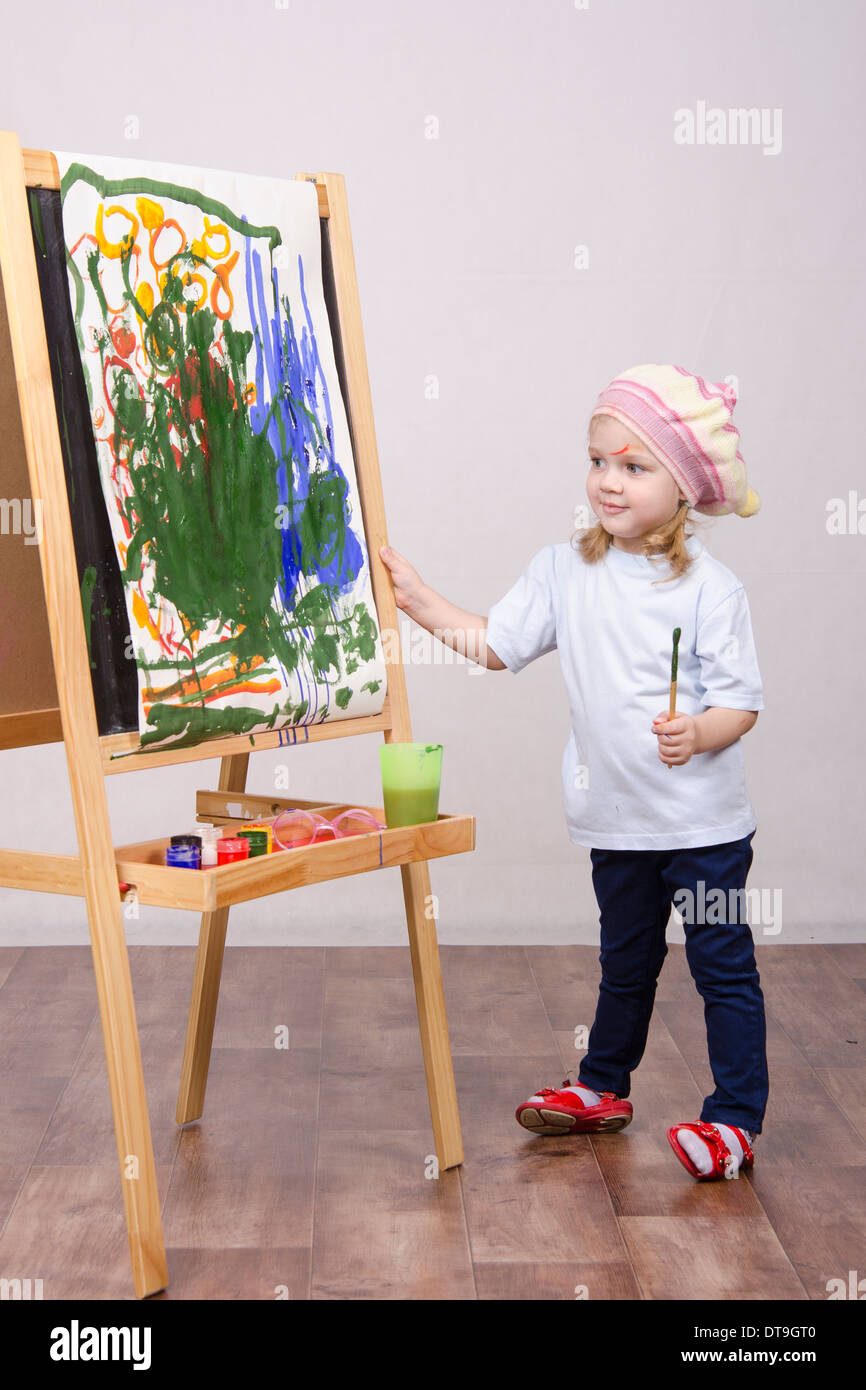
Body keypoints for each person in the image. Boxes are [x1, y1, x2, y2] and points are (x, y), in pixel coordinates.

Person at [379, 363, 767, 1182]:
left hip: (703, 833)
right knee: (624, 965)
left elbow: (742, 706)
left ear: (686, 486)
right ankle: (603, 1088)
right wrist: (421, 602)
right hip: (617, 825)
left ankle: (733, 1120)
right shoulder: (563, 570)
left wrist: (698, 732)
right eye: (598, 462)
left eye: (633, 466)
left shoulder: (712, 590)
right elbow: (496, 645)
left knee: (720, 968)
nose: (608, 482)